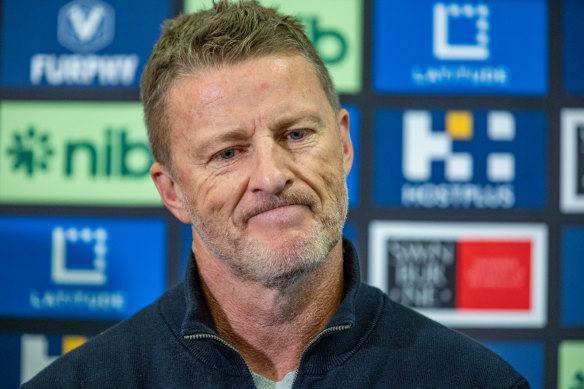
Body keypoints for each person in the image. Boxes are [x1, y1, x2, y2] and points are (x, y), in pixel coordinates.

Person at [24, 1, 530, 388]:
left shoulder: (475, 381)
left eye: (296, 135)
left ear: (345, 144)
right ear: (173, 192)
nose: (272, 175)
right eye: (227, 153)